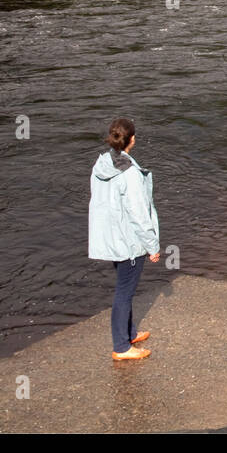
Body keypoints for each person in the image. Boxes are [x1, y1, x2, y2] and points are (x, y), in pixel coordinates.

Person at [88, 117, 160, 361]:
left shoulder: (104, 163)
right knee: (124, 292)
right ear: (132, 139)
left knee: (123, 287)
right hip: (129, 242)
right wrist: (152, 246)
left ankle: (129, 333)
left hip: (112, 238)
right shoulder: (129, 173)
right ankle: (121, 347)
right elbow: (139, 213)